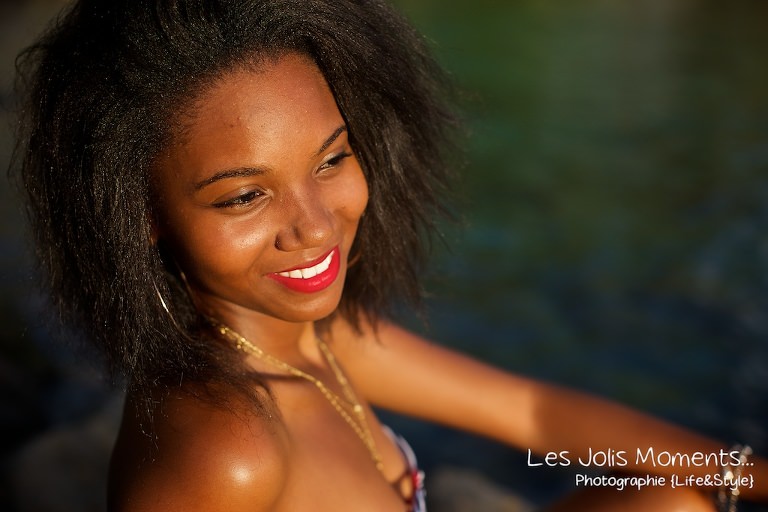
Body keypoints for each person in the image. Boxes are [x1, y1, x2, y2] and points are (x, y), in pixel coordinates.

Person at [12, 1, 767, 511]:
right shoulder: (225, 445)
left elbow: (534, 414)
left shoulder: (314, 341)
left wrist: (753, 475)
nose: (313, 226)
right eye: (244, 196)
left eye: (331, 160)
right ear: (140, 216)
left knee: (670, 500)